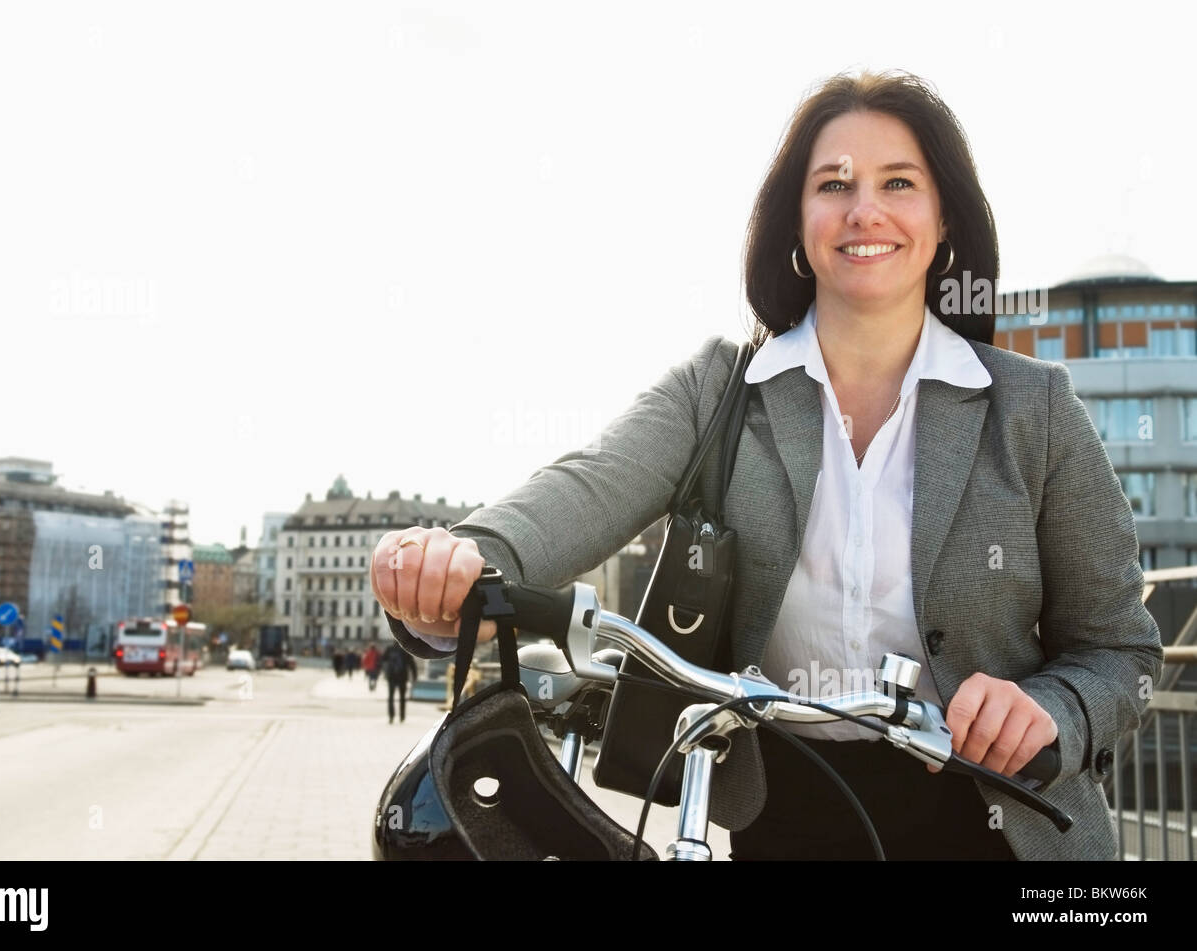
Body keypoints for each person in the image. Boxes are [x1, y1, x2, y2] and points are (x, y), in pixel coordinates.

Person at [368, 69, 1163, 861]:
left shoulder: (1034, 407)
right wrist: (460, 558)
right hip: (783, 816)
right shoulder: (721, 390)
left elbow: (1121, 649)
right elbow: (581, 488)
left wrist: (1052, 707)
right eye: (833, 184)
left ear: (944, 213)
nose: (864, 209)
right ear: (798, 217)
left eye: (899, 182)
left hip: (999, 827)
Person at [380, 642, 418, 724]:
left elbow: (382, 660)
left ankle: (391, 716)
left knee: (391, 697)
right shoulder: (405, 649)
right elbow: (412, 663)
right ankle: (402, 716)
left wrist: (383, 672)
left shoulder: (389, 649)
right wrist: (414, 676)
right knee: (402, 698)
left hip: (392, 676)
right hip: (402, 677)